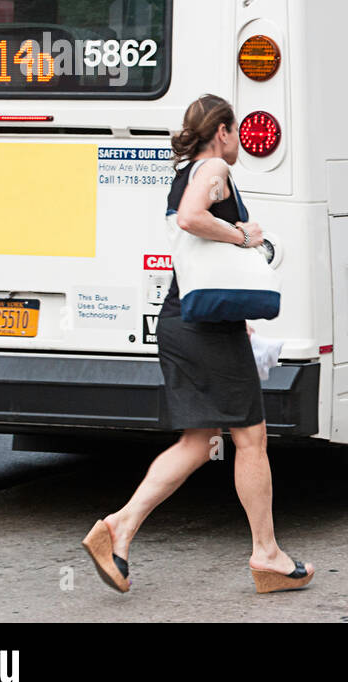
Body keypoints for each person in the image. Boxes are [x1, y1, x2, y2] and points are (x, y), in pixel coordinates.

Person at [81, 94, 314, 595]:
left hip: (185, 320)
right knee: (250, 438)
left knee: (196, 441)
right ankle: (267, 554)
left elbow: (192, 252)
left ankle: (119, 530)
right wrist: (242, 235)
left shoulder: (189, 170)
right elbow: (191, 219)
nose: (239, 142)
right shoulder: (212, 170)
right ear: (223, 131)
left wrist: (237, 318)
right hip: (200, 329)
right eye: (235, 131)